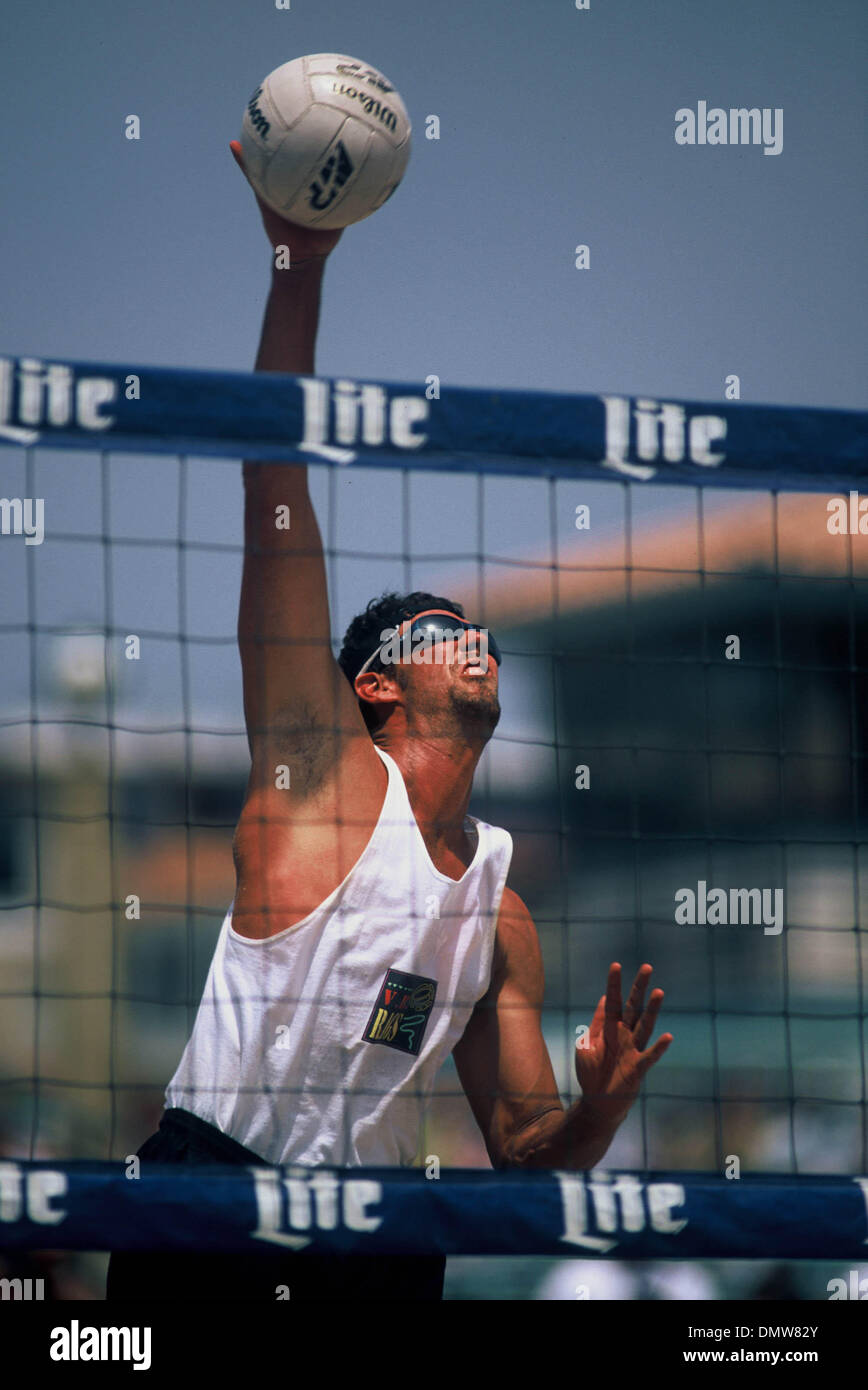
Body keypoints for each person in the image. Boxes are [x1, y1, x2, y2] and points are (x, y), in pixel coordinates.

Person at [106, 143, 672, 1302]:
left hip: (380, 1240)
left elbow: (526, 1156)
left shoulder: (500, 913)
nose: (475, 636)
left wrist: (601, 1110)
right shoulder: (313, 766)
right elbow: (273, 474)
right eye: (436, 627)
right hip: (209, 1197)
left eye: (479, 628)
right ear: (373, 684)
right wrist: (297, 264)